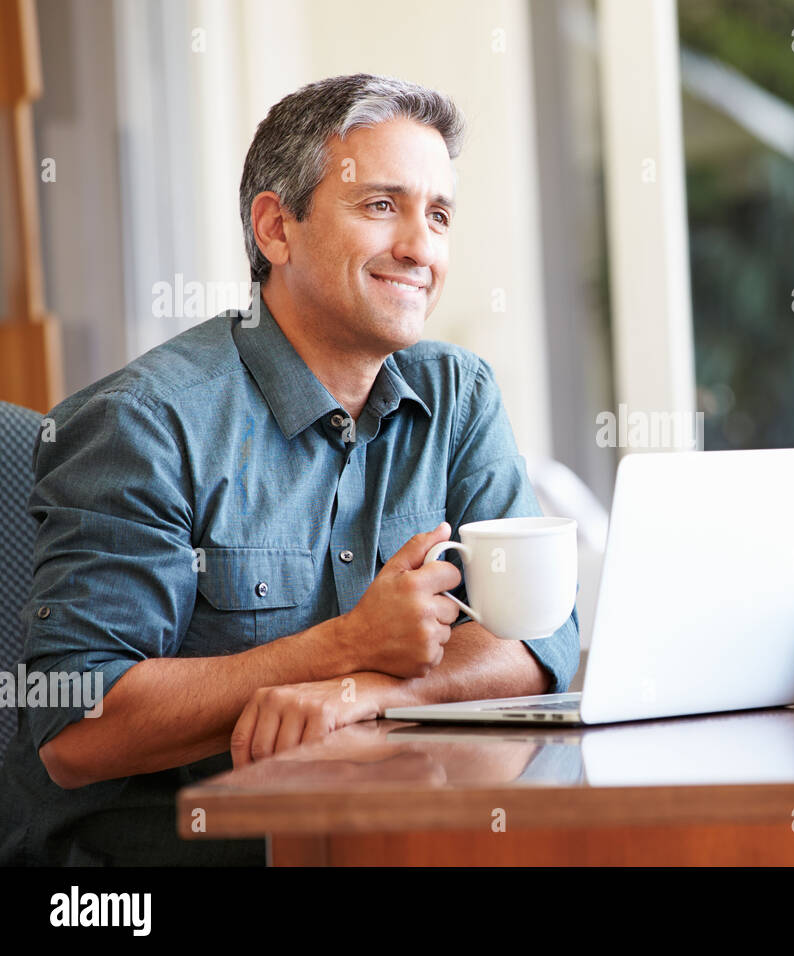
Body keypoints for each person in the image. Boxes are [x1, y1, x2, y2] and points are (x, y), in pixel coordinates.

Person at [0, 74, 579, 866]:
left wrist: (371, 691)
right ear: (276, 228)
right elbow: (77, 728)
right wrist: (343, 647)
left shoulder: (459, 396)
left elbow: (540, 641)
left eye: (437, 215)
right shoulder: (144, 422)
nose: (419, 247)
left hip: (375, 838)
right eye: (382, 206)